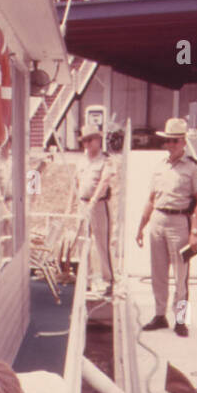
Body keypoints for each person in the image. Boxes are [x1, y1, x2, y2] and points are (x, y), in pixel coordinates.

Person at [135, 118, 197, 336]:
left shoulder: (194, 167)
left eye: (175, 141)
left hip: (179, 223)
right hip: (158, 220)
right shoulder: (160, 166)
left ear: (184, 141)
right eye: (167, 141)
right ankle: (159, 315)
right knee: (158, 272)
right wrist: (141, 226)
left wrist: (195, 232)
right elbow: (151, 198)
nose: (170, 145)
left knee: (181, 276)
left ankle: (181, 319)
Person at [76, 123, 114, 293]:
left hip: (98, 205)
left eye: (90, 140)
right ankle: (86, 279)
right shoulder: (81, 160)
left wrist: (92, 201)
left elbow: (104, 182)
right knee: (82, 243)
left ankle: (108, 280)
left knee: (101, 243)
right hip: (82, 204)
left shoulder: (106, 160)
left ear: (99, 140)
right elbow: (76, 183)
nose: (87, 144)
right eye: (84, 141)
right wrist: (73, 204)